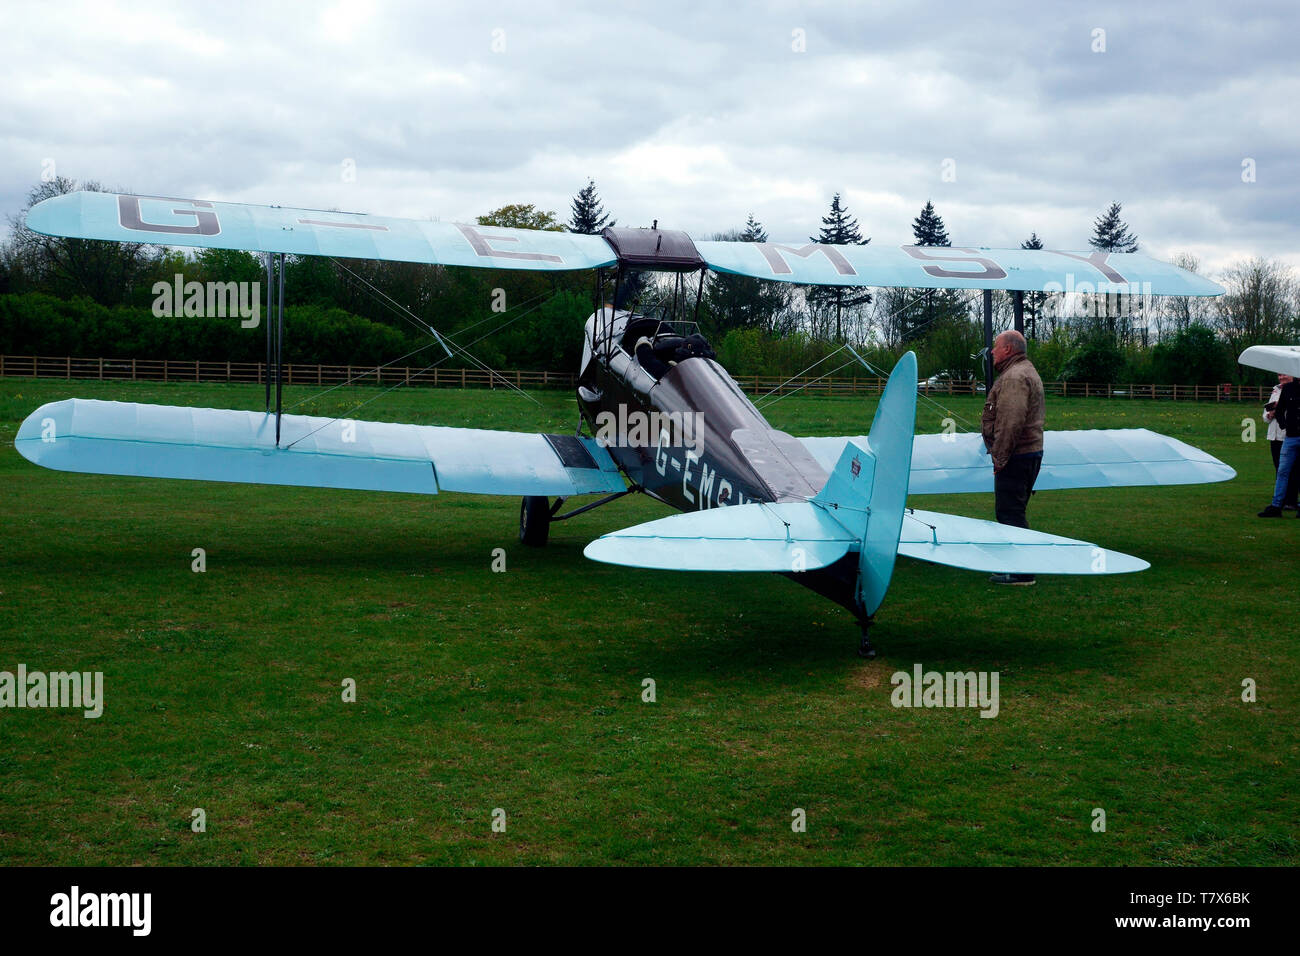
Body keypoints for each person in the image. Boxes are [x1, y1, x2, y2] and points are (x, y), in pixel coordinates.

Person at [981, 330, 1045, 583]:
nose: (992, 352)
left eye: (996, 347)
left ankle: (1022, 572)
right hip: (1026, 453)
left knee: (1010, 513)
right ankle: (1015, 566)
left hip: (1017, 455)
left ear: (1008, 349)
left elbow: (1010, 422)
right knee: (1011, 511)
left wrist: (1000, 458)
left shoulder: (1015, 377)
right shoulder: (1023, 371)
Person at [1259, 372, 1300, 518]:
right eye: (1279, 375)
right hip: (1285, 435)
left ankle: (1292, 501)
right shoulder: (1280, 390)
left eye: (1284, 375)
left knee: (1293, 471)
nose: (1281, 378)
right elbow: (1278, 410)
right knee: (1282, 470)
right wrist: (1283, 424)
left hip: (1287, 436)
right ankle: (1277, 505)